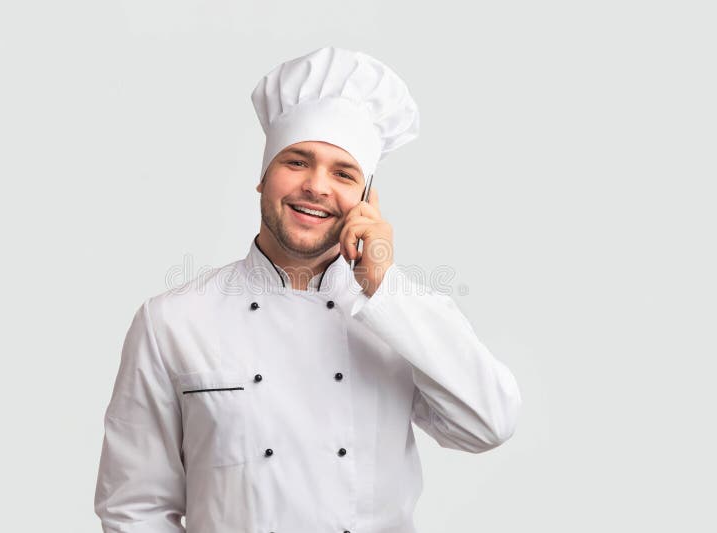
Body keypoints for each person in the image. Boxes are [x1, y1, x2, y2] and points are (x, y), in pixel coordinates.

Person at [94, 46, 522, 533]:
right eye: (297, 162)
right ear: (262, 178)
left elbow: (489, 425)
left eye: (343, 174)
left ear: (366, 199)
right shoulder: (171, 321)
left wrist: (384, 288)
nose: (317, 187)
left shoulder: (398, 316)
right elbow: (135, 508)